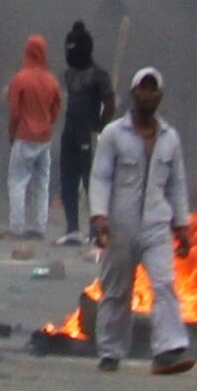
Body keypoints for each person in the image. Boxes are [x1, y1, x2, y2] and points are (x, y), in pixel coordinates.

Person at [88, 67, 195, 375]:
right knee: (117, 290)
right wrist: (99, 216)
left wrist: (182, 225)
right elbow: (100, 177)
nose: (147, 95)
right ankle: (110, 351)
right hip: (119, 226)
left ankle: (167, 350)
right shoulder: (113, 134)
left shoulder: (169, 138)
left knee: (164, 284)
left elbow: (176, 184)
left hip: (156, 225)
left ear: (159, 96)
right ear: (134, 93)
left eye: (153, 90)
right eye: (142, 89)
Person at [57, 21, 114, 246]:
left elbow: (110, 102)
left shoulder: (99, 75)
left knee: (91, 181)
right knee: (67, 179)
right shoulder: (68, 74)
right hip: (69, 131)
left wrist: (101, 126)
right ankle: (72, 228)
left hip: (89, 132)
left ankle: (94, 230)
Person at [3, 33, 62, 239]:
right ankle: (39, 226)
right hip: (44, 138)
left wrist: (12, 132)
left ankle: (17, 226)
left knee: (18, 181)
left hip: (23, 136)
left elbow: (15, 111)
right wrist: (47, 124)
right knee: (41, 182)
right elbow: (56, 110)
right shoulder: (52, 81)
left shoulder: (20, 79)